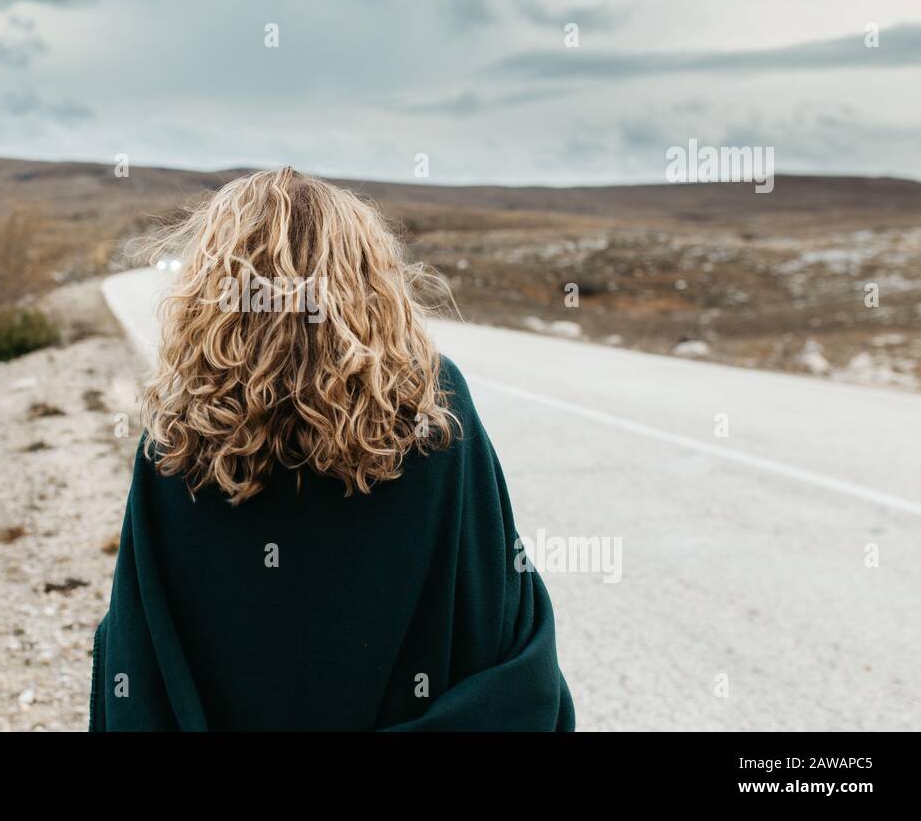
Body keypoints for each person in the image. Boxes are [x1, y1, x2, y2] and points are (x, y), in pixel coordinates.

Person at [90, 167, 574, 731]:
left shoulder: (180, 428)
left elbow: (137, 644)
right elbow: (497, 611)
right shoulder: (432, 404)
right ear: (369, 278)